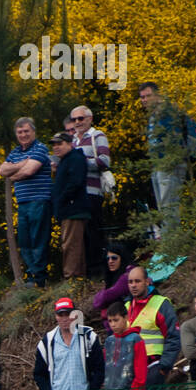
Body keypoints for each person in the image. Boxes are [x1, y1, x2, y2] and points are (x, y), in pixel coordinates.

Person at [138, 81, 196, 236]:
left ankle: (172, 246)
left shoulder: (168, 112)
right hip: (159, 165)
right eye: (142, 97)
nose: (144, 100)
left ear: (158, 95)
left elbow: (174, 140)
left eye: (148, 96)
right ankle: (170, 244)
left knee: (169, 207)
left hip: (170, 164)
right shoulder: (154, 115)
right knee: (164, 207)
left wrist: (170, 160)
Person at [0, 117, 53, 287]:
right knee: (25, 240)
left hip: (39, 200)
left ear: (33, 132)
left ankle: (39, 277)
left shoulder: (40, 148)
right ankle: (31, 274)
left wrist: (14, 172)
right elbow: (2, 170)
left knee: (38, 238)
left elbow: (29, 171)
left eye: (26, 131)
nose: (23, 135)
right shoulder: (16, 152)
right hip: (23, 203)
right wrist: (22, 163)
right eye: (20, 132)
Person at [69, 106, 111, 278]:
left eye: (81, 118)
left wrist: (80, 161)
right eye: (74, 119)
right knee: (81, 234)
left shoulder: (97, 136)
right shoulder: (72, 140)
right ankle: (87, 272)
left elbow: (104, 160)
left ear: (89, 118)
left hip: (93, 192)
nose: (78, 122)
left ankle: (99, 269)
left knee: (94, 231)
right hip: (76, 194)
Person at [50, 131, 90, 279]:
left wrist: (61, 199)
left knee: (71, 245)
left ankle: (71, 277)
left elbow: (75, 183)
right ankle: (77, 277)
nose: (56, 147)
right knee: (74, 244)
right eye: (54, 145)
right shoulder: (65, 161)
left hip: (74, 209)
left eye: (60, 144)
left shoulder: (75, 158)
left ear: (70, 144)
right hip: (68, 210)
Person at [92, 242, 134, 332]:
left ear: (122, 258)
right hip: (113, 326)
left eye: (114, 258)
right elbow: (97, 302)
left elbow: (107, 296)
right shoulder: (112, 276)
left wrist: (101, 296)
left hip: (126, 326)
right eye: (108, 258)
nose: (110, 261)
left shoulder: (129, 274)